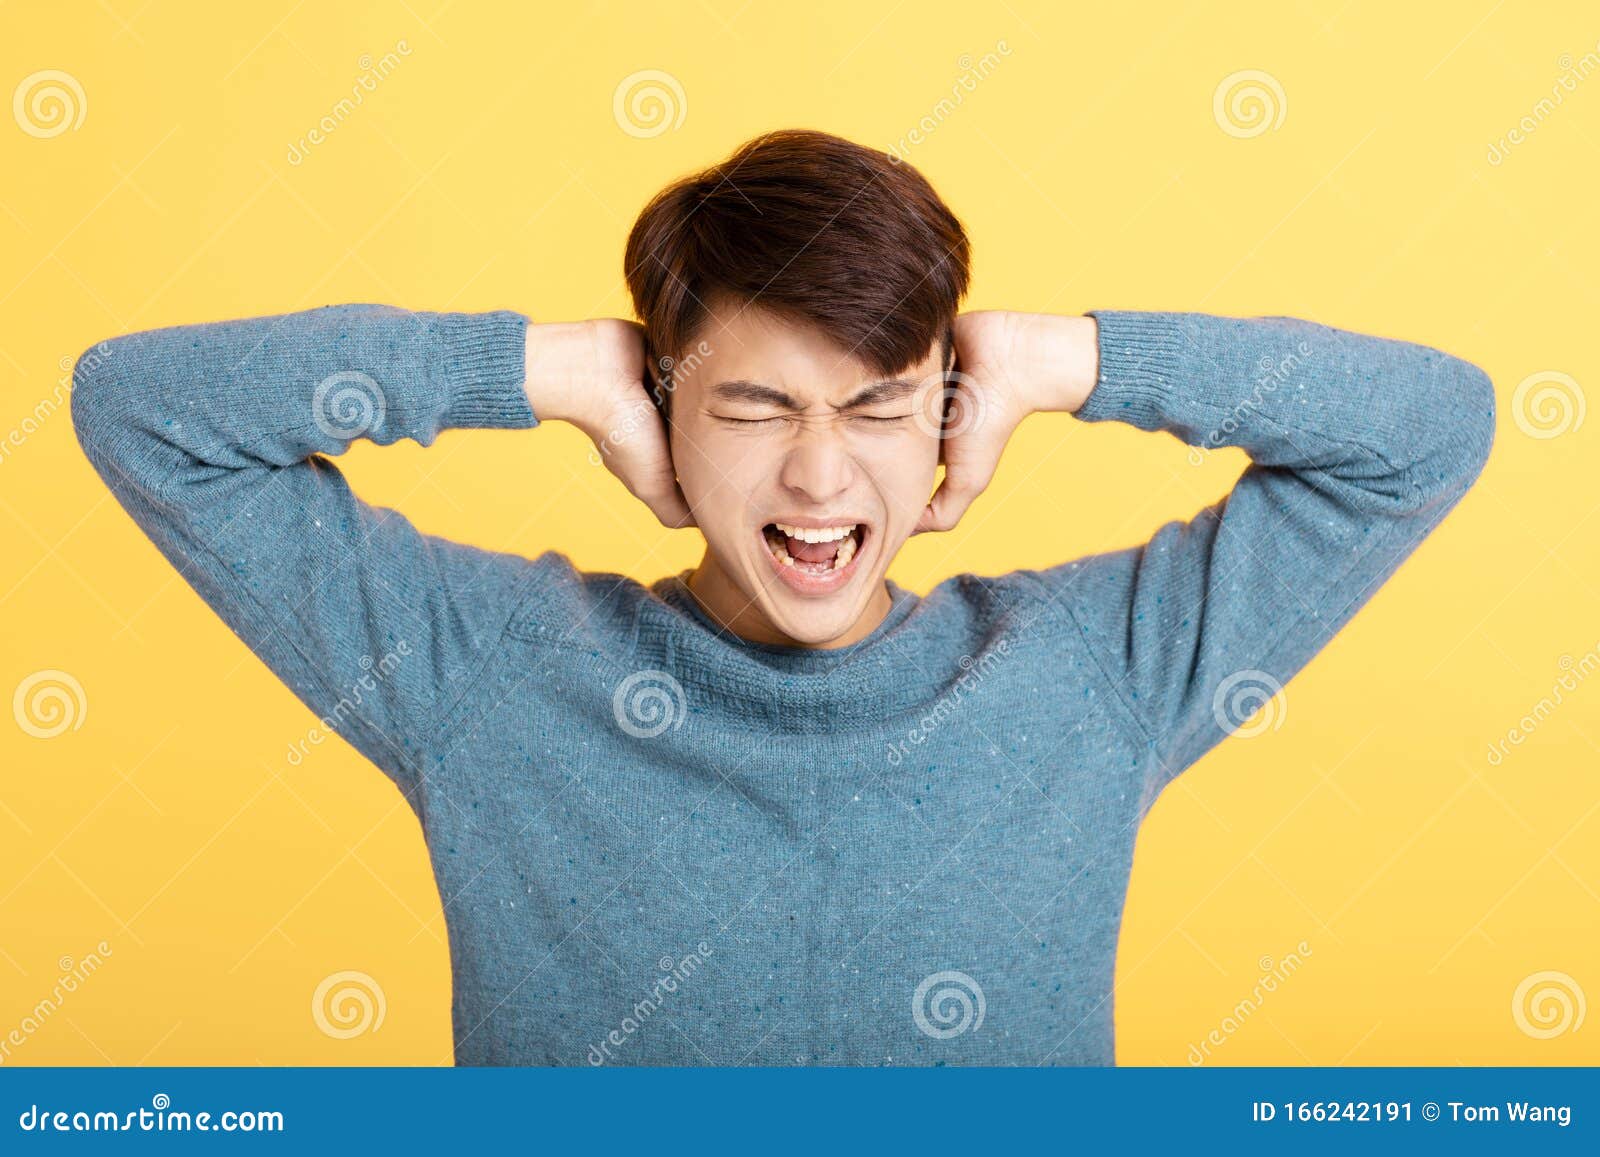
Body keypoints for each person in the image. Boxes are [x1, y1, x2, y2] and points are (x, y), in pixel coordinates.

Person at [71, 128, 1495, 1065]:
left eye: (879, 407)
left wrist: (1068, 360)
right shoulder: (490, 678)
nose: (821, 477)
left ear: (945, 417)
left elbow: (1430, 428)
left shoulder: (1083, 676)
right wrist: (540, 370)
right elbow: (141, 412)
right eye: (755, 407)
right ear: (663, 410)